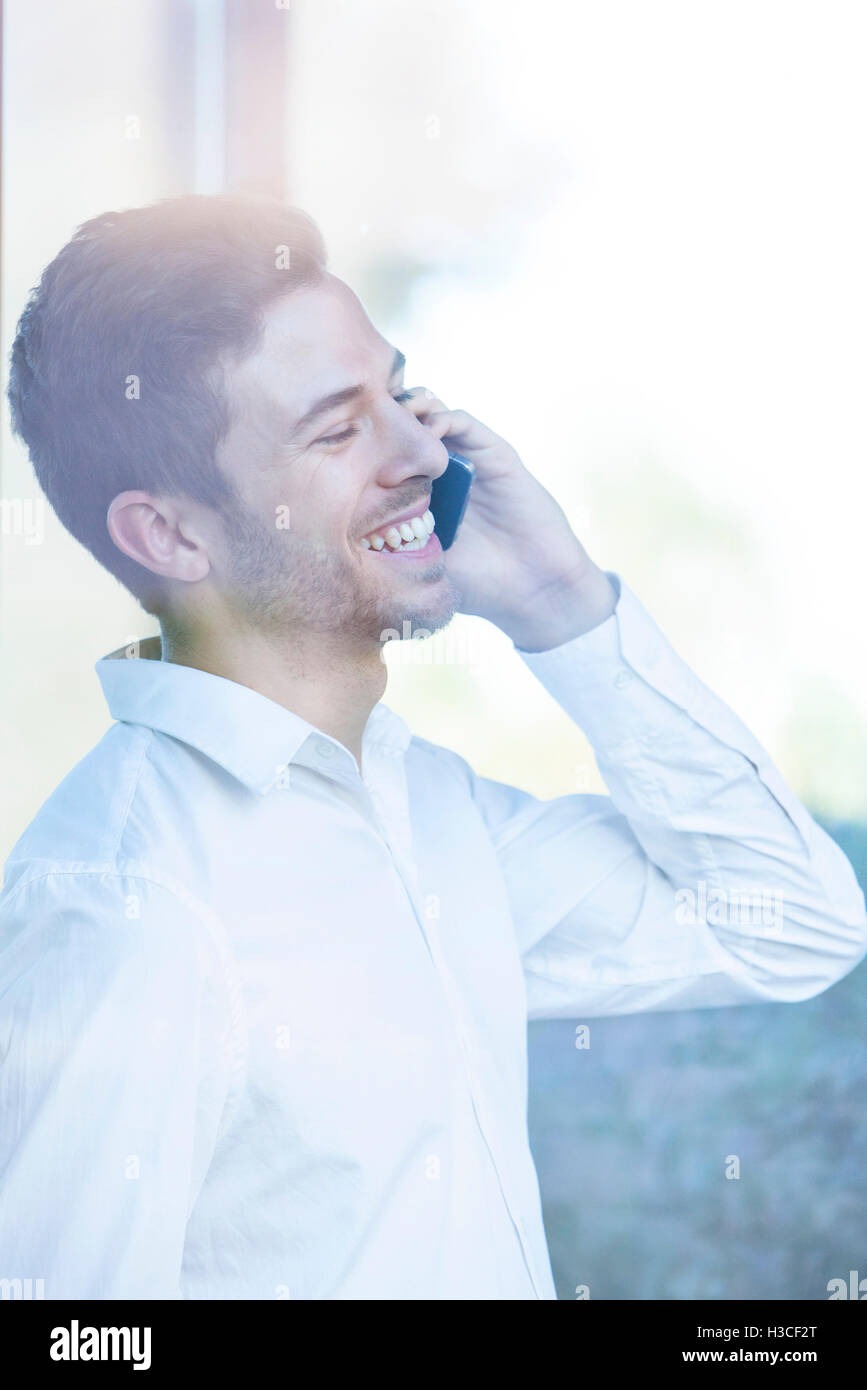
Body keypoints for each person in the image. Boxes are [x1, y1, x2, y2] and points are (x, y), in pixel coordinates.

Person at [1, 194, 864, 1301]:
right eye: (337, 426)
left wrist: (564, 605)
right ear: (170, 533)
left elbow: (795, 923)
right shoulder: (124, 900)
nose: (424, 448)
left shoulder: (435, 815)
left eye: (398, 392)